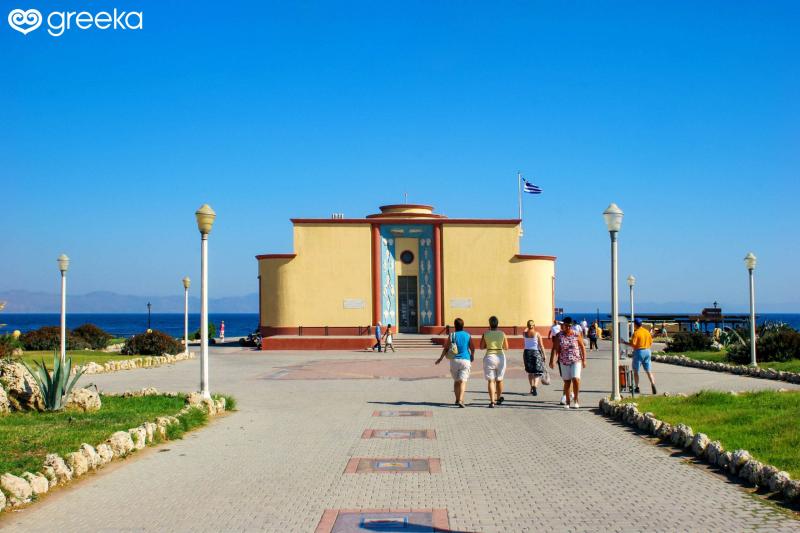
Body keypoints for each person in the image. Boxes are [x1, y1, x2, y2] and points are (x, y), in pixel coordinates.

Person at [435, 318, 475, 407]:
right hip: (465, 360)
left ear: (455, 326)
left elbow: (446, 348)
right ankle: (460, 400)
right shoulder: (467, 335)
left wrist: (440, 358)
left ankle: (457, 400)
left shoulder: (452, 335)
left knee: (456, 381)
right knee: (463, 381)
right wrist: (472, 355)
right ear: (463, 325)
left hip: (454, 361)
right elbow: (472, 347)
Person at [549, 316, 586, 409]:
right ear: (563, 326)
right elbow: (554, 348)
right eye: (566, 325)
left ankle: (576, 399)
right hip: (564, 361)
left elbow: (582, 347)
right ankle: (568, 401)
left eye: (570, 326)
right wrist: (552, 360)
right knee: (567, 382)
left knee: (576, 379)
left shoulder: (576, 334)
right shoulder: (559, 335)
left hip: (576, 360)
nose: (568, 327)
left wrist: (584, 360)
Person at [480, 316, 508, 408]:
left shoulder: (485, 334)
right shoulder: (502, 334)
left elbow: (481, 347)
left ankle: (492, 401)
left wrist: (488, 344)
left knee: (491, 381)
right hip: (500, 356)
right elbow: (506, 347)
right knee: (499, 379)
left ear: (489, 324)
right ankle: (499, 397)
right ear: (497, 324)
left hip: (489, 356)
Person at [623, 318, 657, 394]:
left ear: (635, 324)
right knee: (648, 370)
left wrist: (624, 342)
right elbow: (651, 342)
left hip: (639, 352)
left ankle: (637, 387)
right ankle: (653, 384)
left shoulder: (636, 333)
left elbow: (633, 344)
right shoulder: (647, 332)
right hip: (648, 351)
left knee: (636, 371)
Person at [522, 320, 545, 395]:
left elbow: (524, 330)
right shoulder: (537, 334)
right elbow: (541, 345)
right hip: (536, 353)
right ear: (534, 325)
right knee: (537, 372)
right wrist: (544, 355)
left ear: (528, 326)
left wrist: (527, 327)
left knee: (530, 372)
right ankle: (535, 386)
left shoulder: (525, 334)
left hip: (527, 353)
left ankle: (531, 388)